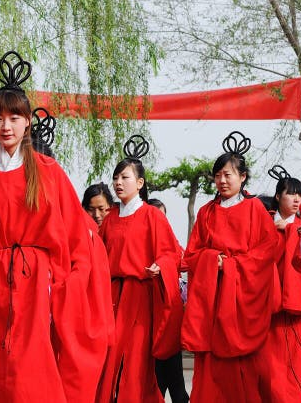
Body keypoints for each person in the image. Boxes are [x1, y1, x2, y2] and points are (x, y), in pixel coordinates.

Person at [0, 51, 112, 402]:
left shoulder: (48, 172)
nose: (6, 126)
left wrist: (59, 286)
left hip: (37, 286)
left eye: (14, 118)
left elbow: (75, 240)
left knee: (31, 375)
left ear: (27, 121)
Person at [181, 131, 279, 401]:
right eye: (217, 175)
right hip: (212, 296)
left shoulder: (255, 209)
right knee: (211, 363)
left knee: (246, 367)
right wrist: (212, 260)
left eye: (228, 175)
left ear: (242, 177)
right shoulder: (206, 212)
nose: (222, 181)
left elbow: (267, 250)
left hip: (241, 298)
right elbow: (191, 254)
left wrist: (233, 265)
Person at [95, 136, 183, 403]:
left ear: (140, 183)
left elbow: (172, 254)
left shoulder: (152, 216)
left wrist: (161, 265)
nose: (118, 183)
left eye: (125, 177)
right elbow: (98, 255)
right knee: (109, 360)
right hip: (113, 298)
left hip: (140, 299)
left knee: (135, 362)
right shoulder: (110, 218)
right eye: (116, 178)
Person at [263, 165, 301, 401]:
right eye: (290, 194)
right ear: (278, 196)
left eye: (300, 194)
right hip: (270, 301)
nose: (297, 199)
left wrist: (290, 229)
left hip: (299, 299)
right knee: (271, 361)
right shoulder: (264, 222)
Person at [147, 197, 190, 403]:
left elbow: (184, 260)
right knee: (158, 376)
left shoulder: (172, 244)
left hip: (169, 315)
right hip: (149, 316)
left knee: (174, 377)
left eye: (163, 217)